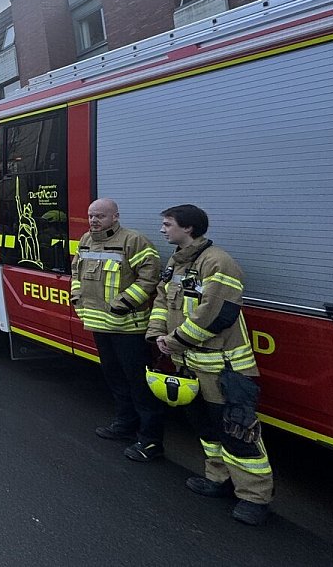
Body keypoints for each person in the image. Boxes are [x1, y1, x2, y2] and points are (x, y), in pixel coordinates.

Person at [146, 204, 272, 525]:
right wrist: (156, 333)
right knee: (206, 429)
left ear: (188, 228)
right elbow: (163, 299)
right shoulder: (176, 262)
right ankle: (218, 479)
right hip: (189, 365)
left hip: (224, 370)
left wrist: (173, 341)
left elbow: (217, 315)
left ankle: (254, 498)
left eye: (167, 224)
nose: (162, 229)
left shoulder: (219, 264)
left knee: (237, 432)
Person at [71, 198, 164, 462]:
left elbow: (150, 278)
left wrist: (125, 304)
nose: (93, 220)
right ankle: (125, 425)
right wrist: (77, 298)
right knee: (115, 379)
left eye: (100, 216)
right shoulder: (86, 240)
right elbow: (76, 273)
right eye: (90, 215)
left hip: (128, 328)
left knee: (140, 385)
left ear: (115, 216)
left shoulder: (134, 241)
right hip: (100, 326)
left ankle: (151, 441)